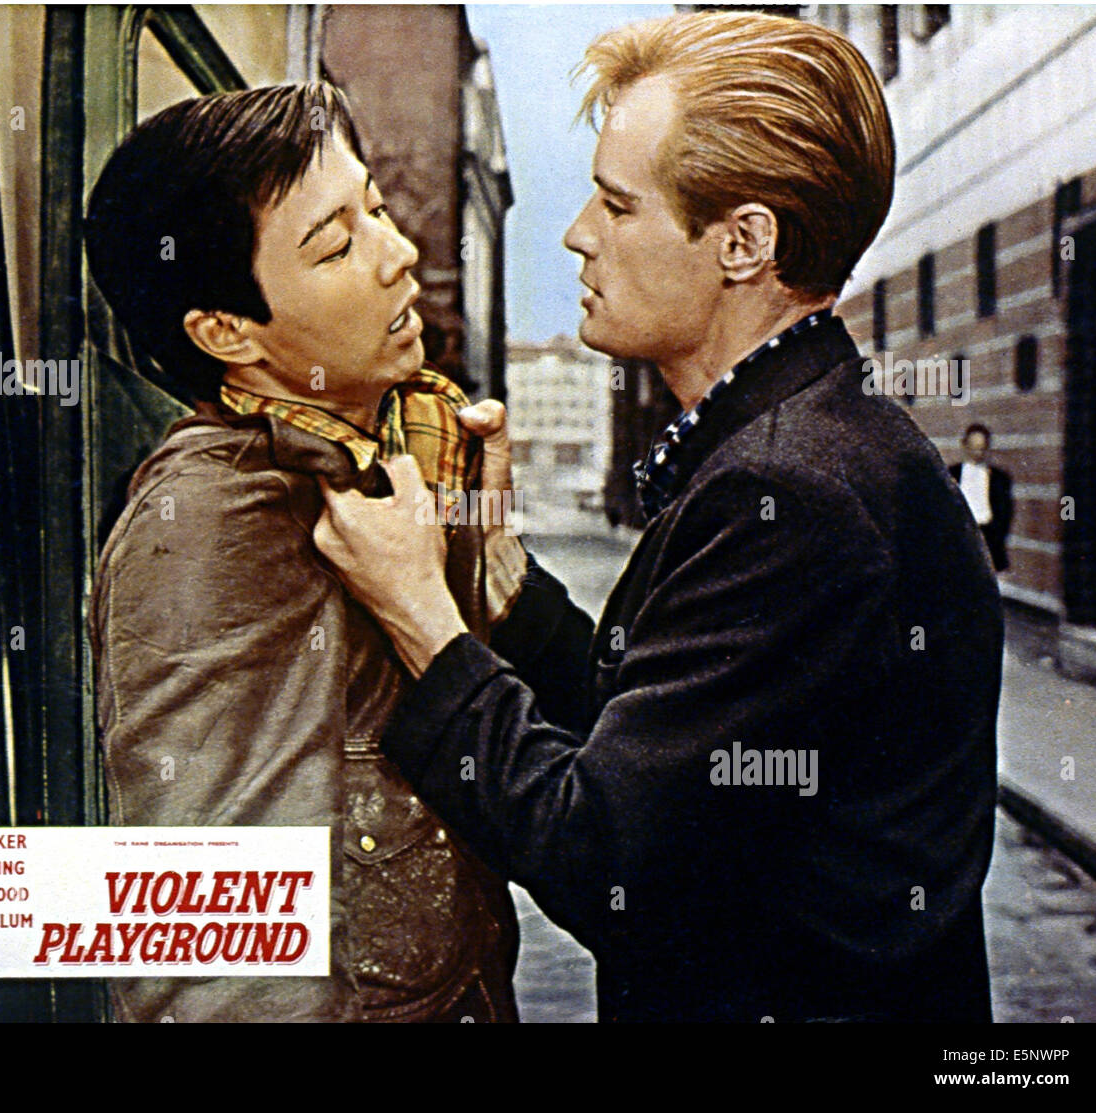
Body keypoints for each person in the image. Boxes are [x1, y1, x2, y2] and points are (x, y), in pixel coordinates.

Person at [315, 11, 1003, 1022]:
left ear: (743, 242)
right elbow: (671, 756)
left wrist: (421, 611)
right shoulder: (809, 443)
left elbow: (606, 856)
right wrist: (500, 575)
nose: (575, 233)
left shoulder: (792, 493)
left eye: (616, 204)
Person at [83, 84, 520, 1023]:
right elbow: (211, 945)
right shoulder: (206, 523)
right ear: (225, 332)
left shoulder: (394, 453)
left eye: (377, 210)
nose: (400, 256)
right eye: (337, 245)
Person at [951, 423, 1014, 572]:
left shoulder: (999, 478)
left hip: (988, 538)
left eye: (982, 447)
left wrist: (996, 537)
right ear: (965, 445)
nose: (978, 452)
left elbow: (1005, 513)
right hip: (961, 537)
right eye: (974, 446)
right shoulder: (951, 474)